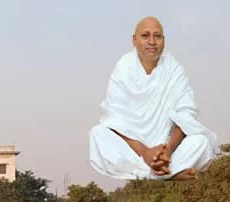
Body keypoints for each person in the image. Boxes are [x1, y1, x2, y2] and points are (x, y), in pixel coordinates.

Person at [89, 17, 218, 181]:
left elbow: (186, 113)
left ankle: (154, 172)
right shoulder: (124, 67)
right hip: (135, 148)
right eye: (145, 36)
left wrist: (168, 150)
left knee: (201, 142)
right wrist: (145, 152)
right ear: (134, 40)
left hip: (167, 147)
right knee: (98, 134)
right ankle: (169, 173)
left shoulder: (173, 68)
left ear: (163, 40)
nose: (152, 42)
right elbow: (115, 118)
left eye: (157, 36)